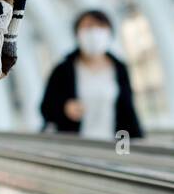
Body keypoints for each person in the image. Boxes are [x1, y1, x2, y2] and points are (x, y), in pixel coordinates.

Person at [40, 8, 143, 141]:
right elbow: (45, 108)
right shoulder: (63, 69)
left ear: (109, 32)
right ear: (77, 33)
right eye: (88, 27)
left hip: (112, 145)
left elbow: (128, 113)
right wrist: (64, 108)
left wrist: (130, 146)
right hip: (75, 146)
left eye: (100, 26)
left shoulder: (119, 68)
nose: (94, 32)